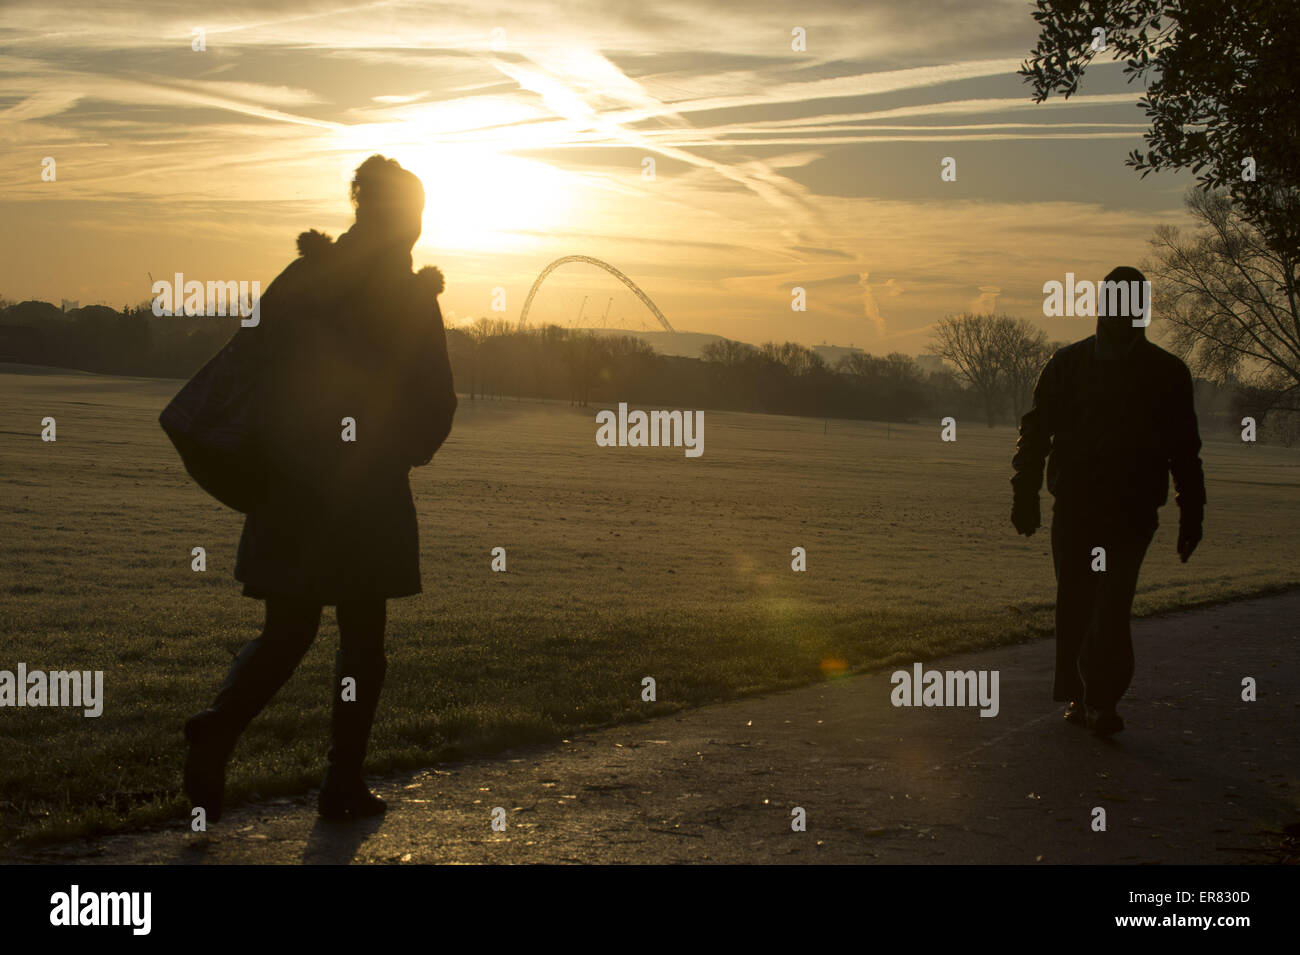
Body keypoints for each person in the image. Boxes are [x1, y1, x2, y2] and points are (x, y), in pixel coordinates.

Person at [183, 155, 457, 820]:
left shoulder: (304, 277)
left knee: (287, 629)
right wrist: (402, 448)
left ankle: (218, 727)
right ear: (402, 217)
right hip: (365, 492)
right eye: (415, 212)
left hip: (291, 482)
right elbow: (435, 400)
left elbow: (250, 365)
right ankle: (341, 781)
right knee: (363, 637)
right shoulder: (407, 296)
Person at [1010, 266, 1205, 737]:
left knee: (1111, 604)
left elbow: (1184, 449)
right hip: (1076, 507)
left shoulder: (1167, 373)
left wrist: (1191, 512)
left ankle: (1099, 699)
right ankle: (1083, 695)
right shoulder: (1067, 365)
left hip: (1132, 512)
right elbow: (1035, 434)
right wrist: (1025, 493)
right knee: (1077, 601)